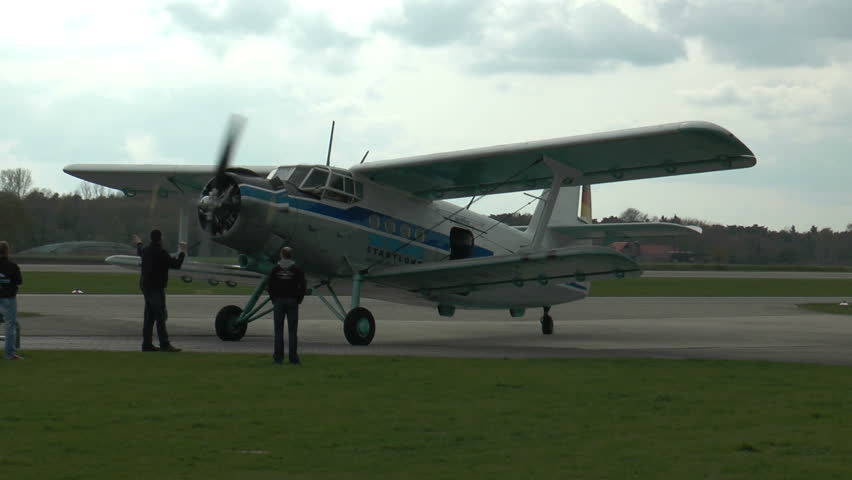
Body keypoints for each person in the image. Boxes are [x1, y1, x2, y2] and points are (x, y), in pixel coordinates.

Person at [134, 230, 186, 352]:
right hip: (156, 287)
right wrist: (183, 251)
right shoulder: (162, 253)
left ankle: (147, 345)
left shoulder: (146, 251)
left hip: (145, 286)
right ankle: (164, 344)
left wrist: (139, 242)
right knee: (160, 316)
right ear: (159, 239)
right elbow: (176, 264)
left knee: (149, 316)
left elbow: (140, 250)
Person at [267, 247, 307, 365]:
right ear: (291, 255)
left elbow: (269, 286)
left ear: (281, 255)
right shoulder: (297, 270)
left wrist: (273, 299)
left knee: (278, 331)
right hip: (292, 301)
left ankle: (278, 358)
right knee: (293, 331)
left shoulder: (275, 269)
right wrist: (299, 299)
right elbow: (303, 285)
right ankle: (293, 358)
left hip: (278, 301)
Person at [0, 241, 23, 360]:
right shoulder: (12, 266)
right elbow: (19, 281)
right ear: (7, 251)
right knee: (10, 326)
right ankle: (9, 354)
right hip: (8, 298)